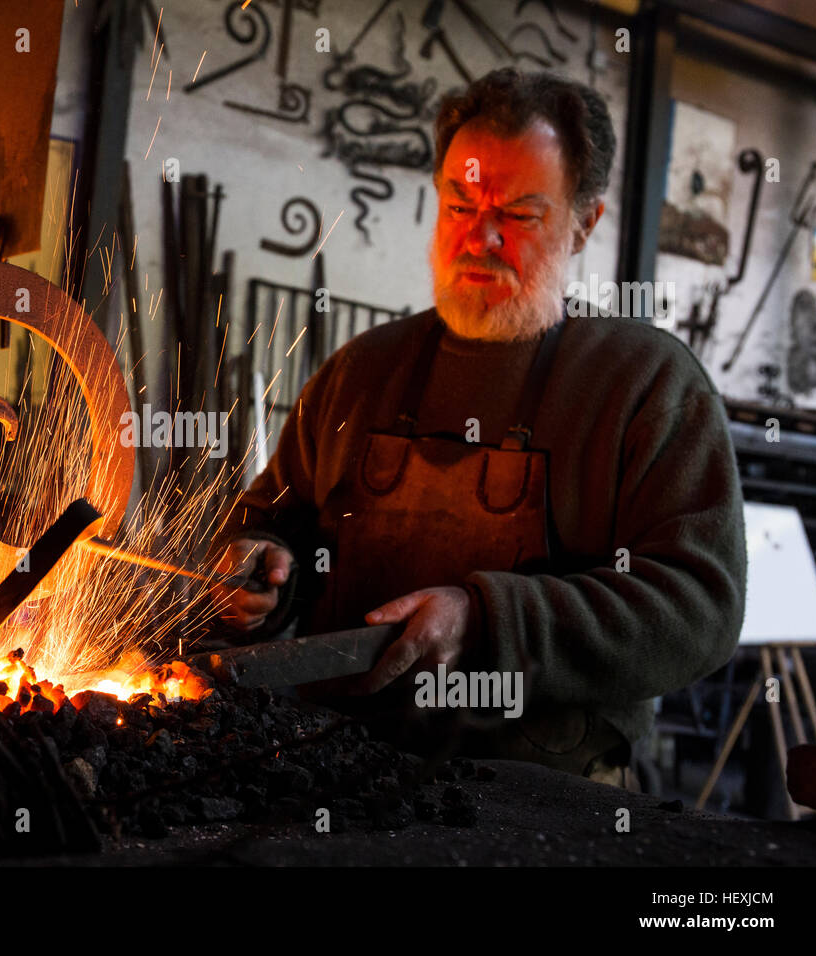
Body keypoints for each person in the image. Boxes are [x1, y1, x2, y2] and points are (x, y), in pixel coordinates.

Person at [213, 69, 747, 788]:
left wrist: (491, 619)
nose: (482, 237)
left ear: (584, 223)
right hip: (334, 775)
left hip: (539, 800)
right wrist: (258, 576)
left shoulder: (644, 384)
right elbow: (274, 528)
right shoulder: (360, 372)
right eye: (461, 204)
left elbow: (699, 606)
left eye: (521, 216)